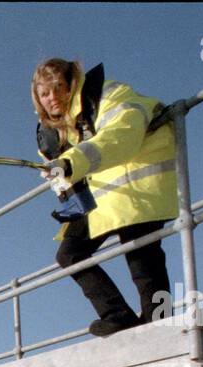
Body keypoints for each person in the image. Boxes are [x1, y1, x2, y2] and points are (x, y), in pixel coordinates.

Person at [32, 59, 178, 336]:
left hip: (137, 181)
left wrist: (71, 162)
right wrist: (61, 180)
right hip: (104, 195)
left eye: (58, 88)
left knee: (143, 257)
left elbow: (121, 135)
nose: (52, 98)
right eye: (44, 93)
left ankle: (160, 323)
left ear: (71, 85)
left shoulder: (107, 95)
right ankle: (118, 316)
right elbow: (73, 171)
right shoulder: (57, 131)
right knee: (70, 252)